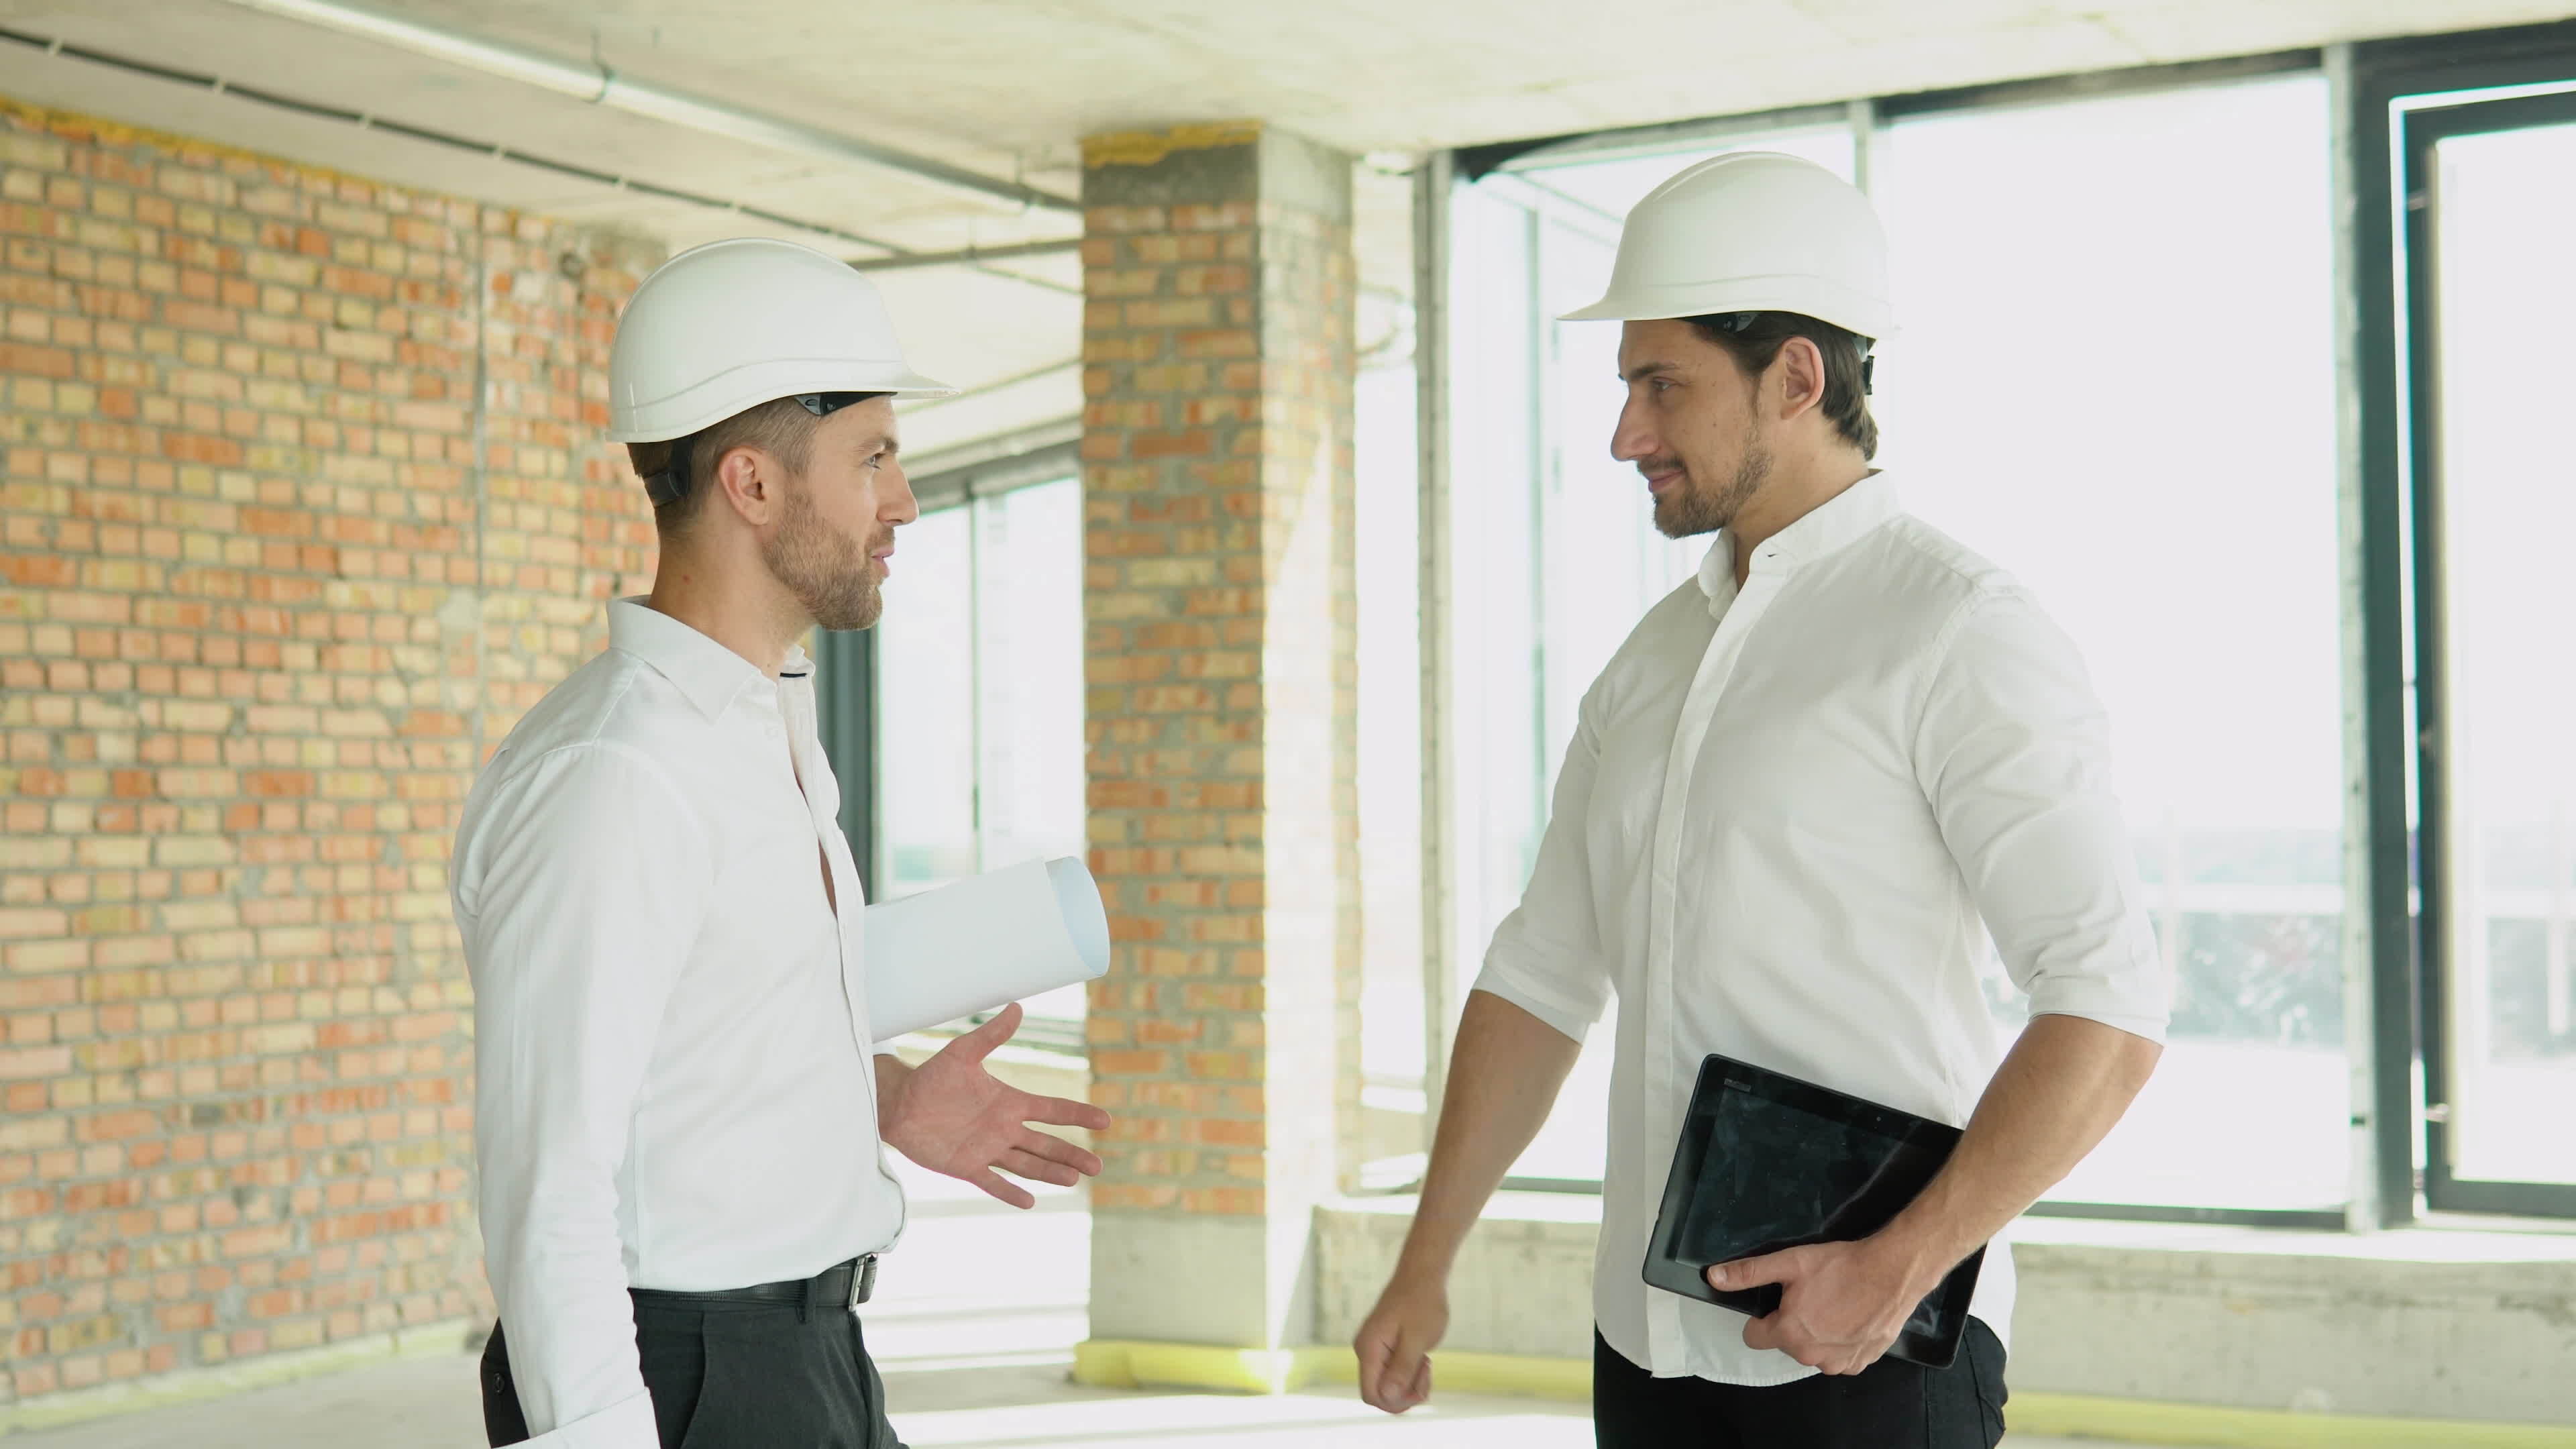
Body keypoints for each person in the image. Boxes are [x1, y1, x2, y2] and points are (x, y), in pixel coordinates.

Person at [1352, 152, 2169, 1448]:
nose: (1627, 433)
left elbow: (2107, 1003)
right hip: (1649, 1352)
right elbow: (1542, 974)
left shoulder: (1962, 630)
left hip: (1870, 1366)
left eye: (1661, 385)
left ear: (1795, 377)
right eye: (1627, 386)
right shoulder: (1651, 661)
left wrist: (1899, 1263)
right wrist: (1426, 1255)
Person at [451, 237, 1113, 1449]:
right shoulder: (618, 776)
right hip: (690, 1377)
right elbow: (548, 1182)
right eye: (874, 458)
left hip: (806, 1357)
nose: (902, 500)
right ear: (752, 486)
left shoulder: (763, 726)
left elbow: (704, 1042)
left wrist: (879, 1095)